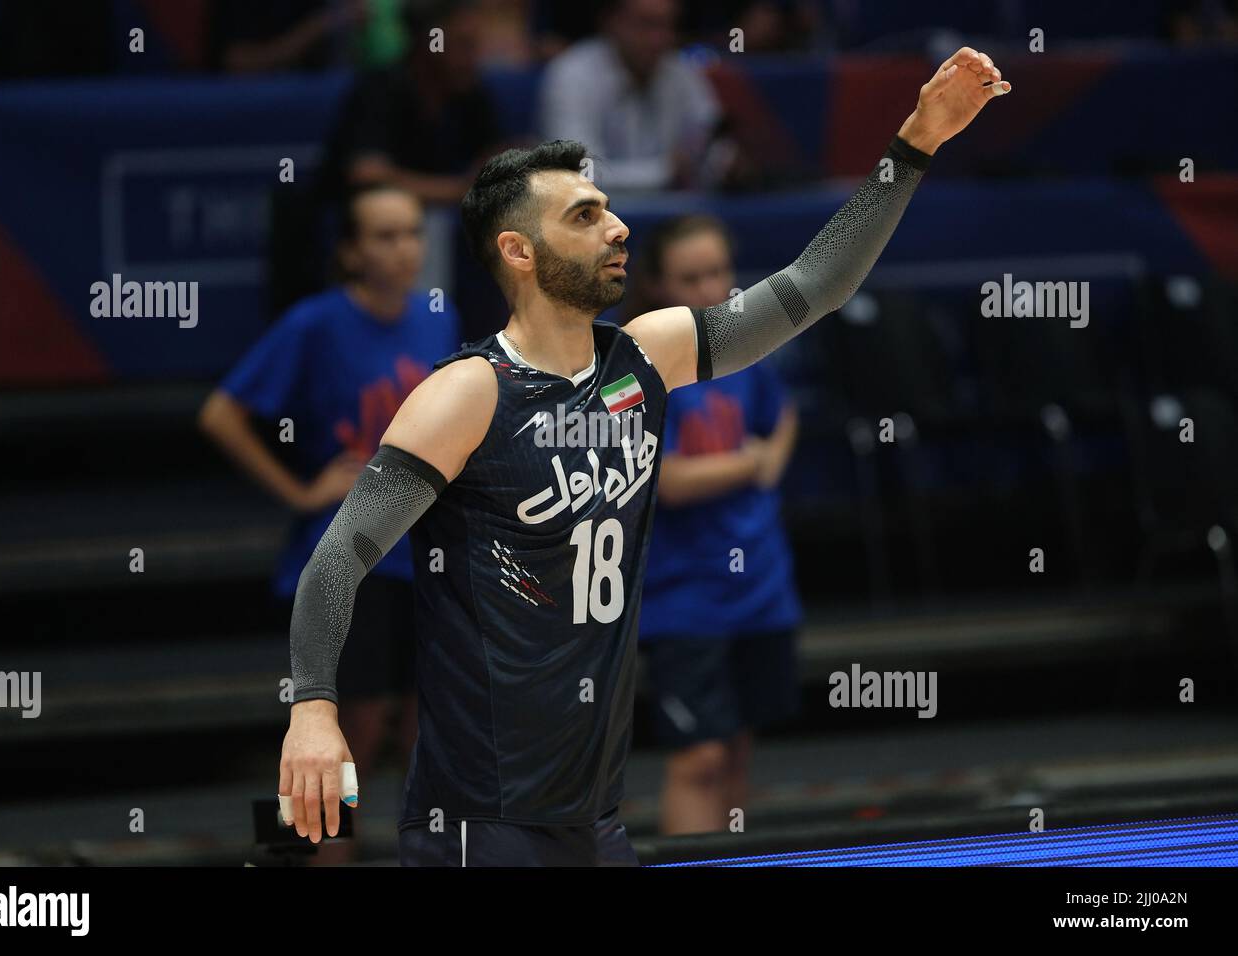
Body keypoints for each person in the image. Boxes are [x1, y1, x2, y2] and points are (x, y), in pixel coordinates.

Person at [279, 48, 1010, 866]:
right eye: (585, 216)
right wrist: (313, 709)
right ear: (519, 252)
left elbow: (817, 284)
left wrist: (914, 143)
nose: (618, 226)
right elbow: (338, 556)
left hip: (594, 814)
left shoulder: (646, 354)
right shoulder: (468, 394)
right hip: (479, 822)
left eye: (610, 208)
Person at [198, 185, 459, 860]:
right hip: (346, 558)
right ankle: (293, 855)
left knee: (427, 735)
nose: (404, 249)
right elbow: (220, 414)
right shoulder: (314, 323)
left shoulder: (438, 315)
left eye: (411, 233)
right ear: (349, 251)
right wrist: (299, 490)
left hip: (424, 555)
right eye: (384, 235)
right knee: (348, 734)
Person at [624, 214, 803, 835]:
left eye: (719, 273)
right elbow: (665, 482)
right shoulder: (637, 365)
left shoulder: (750, 342)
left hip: (761, 584)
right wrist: (749, 465)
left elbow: (782, 416)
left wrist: (767, 461)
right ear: (655, 285)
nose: (710, 290)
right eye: (690, 277)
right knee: (699, 756)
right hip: (685, 598)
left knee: (738, 748)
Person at [538, 0, 722, 191]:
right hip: (589, 214)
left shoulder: (681, 72)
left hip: (674, 214)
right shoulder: (571, 74)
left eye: (668, 25)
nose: (659, 39)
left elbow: (711, 140)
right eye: (646, 24)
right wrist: (664, 171)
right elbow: (581, 173)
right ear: (611, 22)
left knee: (706, 221)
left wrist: (725, 165)